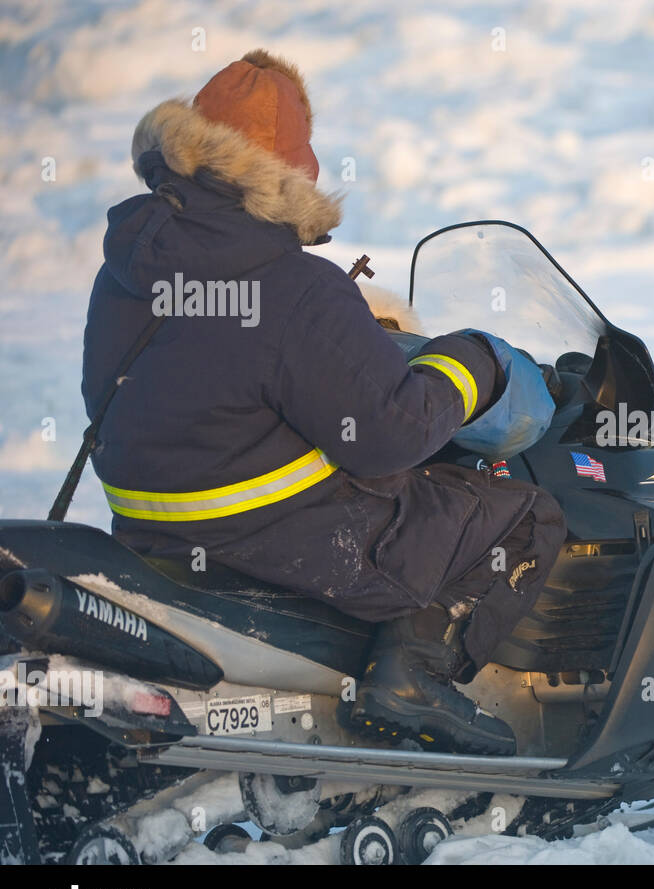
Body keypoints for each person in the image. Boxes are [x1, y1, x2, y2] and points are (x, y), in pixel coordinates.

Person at [81, 50, 565, 756]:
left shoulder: (124, 269)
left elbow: (206, 380)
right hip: (272, 535)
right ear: (289, 171)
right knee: (519, 516)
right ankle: (412, 676)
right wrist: (477, 365)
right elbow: (391, 434)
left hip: (155, 532)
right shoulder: (293, 285)